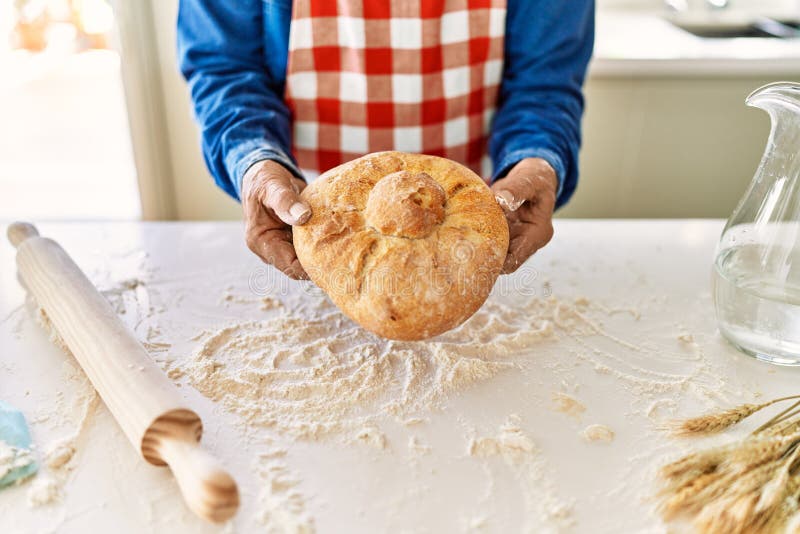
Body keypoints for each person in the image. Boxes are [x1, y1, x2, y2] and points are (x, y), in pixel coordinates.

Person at [178, 1, 594, 280]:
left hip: (477, 225)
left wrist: (536, 159)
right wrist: (254, 159)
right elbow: (225, 66)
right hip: (300, 218)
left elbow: (545, 80)